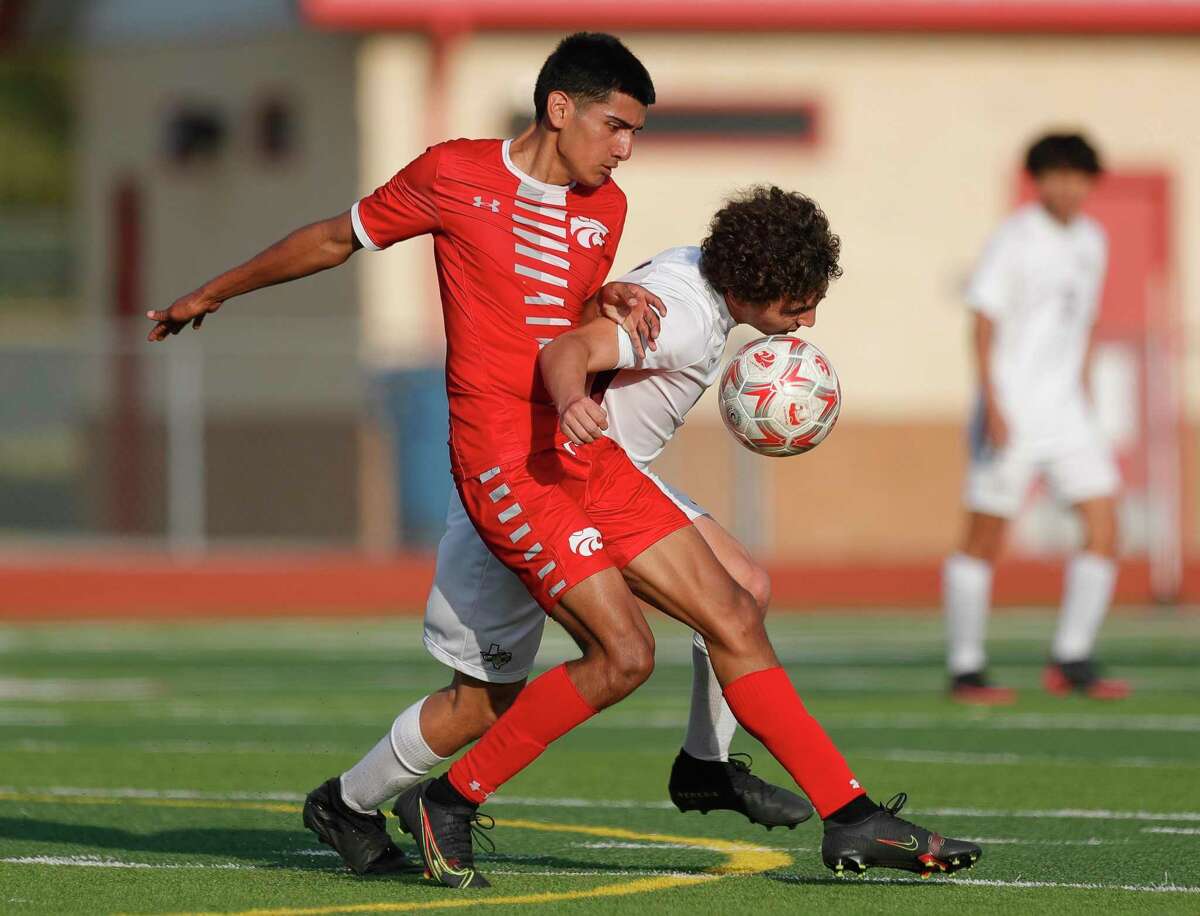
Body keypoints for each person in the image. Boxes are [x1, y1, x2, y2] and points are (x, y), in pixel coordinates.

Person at [389, 187, 982, 887]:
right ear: (753, 286)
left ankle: (840, 811)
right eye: (798, 306)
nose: (809, 321)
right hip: (556, 477)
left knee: (735, 608)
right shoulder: (685, 321)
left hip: (606, 472)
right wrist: (573, 398)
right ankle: (445, 798)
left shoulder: (697, 272)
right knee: (596, 665)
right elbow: (567, 349)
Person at [942, 132, 1129, 705]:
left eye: (1079, 176)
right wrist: (993, 403)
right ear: (1039, 180)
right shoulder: (1016, 238)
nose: (1069, 187)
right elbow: (982, 321)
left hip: (1067, 411)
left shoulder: (1093, 240)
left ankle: (1071, 657)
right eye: (1057, 175)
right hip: (1013, 409)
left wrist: (1087, 401)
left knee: (1104, 525)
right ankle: (966, 667)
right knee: (986, 537)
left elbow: (1086, 326)